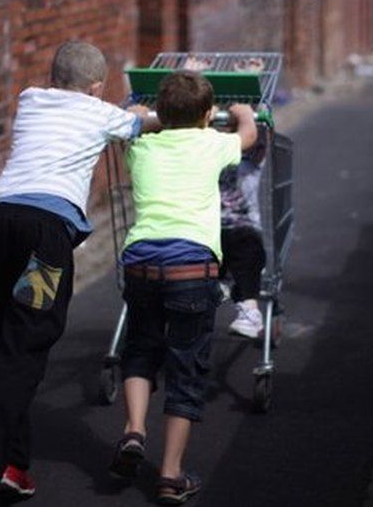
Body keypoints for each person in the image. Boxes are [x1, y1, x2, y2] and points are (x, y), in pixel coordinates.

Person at [0, 41, 156, 507]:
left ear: (52, 76)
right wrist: (145, 112)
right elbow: (144, 122)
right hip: (44, 236)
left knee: (3, 340)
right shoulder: (102, 114)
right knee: (25, 346)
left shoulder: (30, 98)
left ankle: (12, 466)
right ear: (97, 88)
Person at [108, 71, 257, 505]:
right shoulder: (212, 143)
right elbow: (247, 136)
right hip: (191, 267)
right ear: (208, 115)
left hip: (140, 263)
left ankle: (134, 430)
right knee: (187, 367)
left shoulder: (142, 147)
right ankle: (171, 476)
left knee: (140, 349)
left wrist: (143, 117)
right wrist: (243, 114)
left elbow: (137, 123)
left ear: (162, 112)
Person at [219, 129, 268, 338]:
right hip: (208, 229)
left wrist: (246, 114)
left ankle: (249, 310)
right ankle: (219, 284)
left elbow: (258, 136)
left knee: (247, 245)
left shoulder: (249, 160)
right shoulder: (202, 153)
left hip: (242, 228)